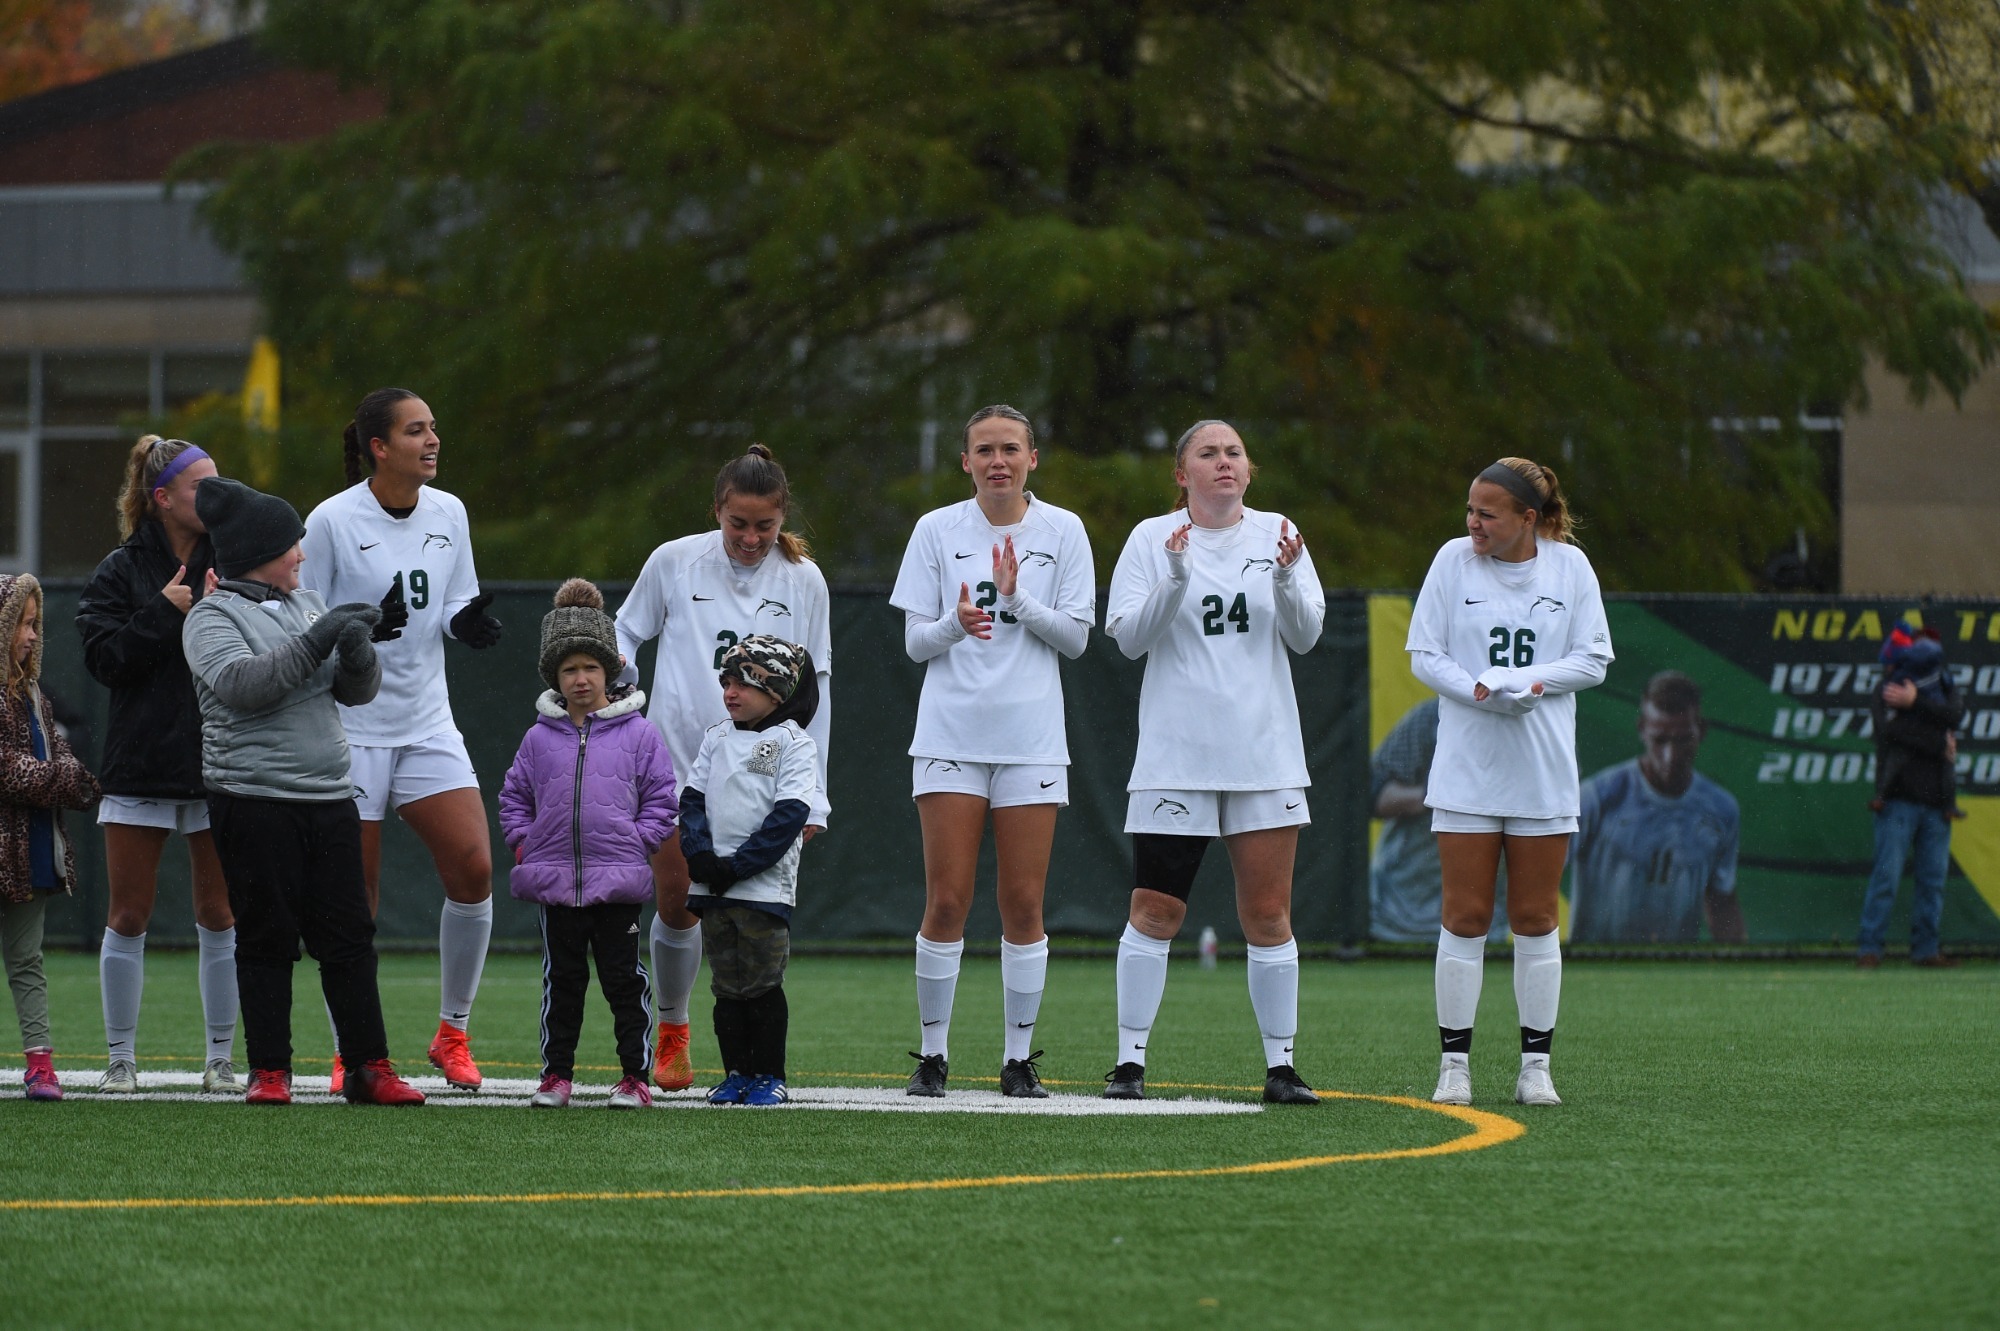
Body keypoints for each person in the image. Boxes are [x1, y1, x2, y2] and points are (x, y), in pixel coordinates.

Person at [1102, 419, 1324, 1105]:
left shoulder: (1279, 532)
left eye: (1233, 452)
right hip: (1178, 755)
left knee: (1267, 914)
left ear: (1248, 469)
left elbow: (1307, 634)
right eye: (1208, 453)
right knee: (1155, 909)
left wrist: (1287, 580)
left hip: (1264, 754)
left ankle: (1281, 1067)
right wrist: (1174, 576)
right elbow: (1131, 640)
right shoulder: (1151, 538)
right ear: (1182, 473)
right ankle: (1129, 1062)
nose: (1223, 462)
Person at [182, 477, 423, 1106]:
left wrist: (356, 651)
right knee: (266, 937)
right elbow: (246, 686)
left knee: (349, 938)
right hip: (252, 798)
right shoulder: (210, 618)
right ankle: (270, 1072)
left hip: (328, 796)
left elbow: (355, 693)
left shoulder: (308, 603)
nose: (302, 555)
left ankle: (370, 1067)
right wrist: (324, 635)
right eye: (292, 544)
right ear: (260, 551)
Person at [301, 388, 503, 1093]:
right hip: (351, 728)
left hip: (426, 723)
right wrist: (362, 631)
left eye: (434, 427)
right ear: (378, 446)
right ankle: (349, 1048)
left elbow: (450, 602)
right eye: (416, 430)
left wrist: (464, 624)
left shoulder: (450, 511)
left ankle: (452, 1033)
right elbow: (307, 629)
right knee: (355, 900)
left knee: (475, 867)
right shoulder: (330, 520)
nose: (432, 439)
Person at [889, 405, 1094, 1099]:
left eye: (1010, 448)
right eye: (985, 449)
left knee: (1022, 900)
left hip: (1032, 739)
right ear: (966, 461)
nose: (997, 460)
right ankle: (933, 1055)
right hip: (950, 735)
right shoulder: (935, 530)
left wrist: (1017, 599)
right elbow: (916, 640)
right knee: (946, 899)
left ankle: (1016, 1058)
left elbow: (1076, 638)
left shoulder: (1063, 530)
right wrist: (955, 622)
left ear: (1033, 457)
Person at [615, 445, 832, 1093]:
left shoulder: (805, 579)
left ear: (781, 515)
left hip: (767, 777)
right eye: (738, 522)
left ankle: (757, 1064)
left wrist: (813, 793)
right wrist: (621, 689)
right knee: (681, 901)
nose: (750, 537)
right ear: (717, 510)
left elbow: (817, 682)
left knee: (753, 917)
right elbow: (626, 634)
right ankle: (675, 1033)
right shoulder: (675, 560)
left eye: (763, 525)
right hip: (681, 763)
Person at [1407, 456, 1612, 1108]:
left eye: (1487, 514)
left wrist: (1533, 682)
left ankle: (1535, 1067)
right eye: (1470, 510)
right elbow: (1425, 652)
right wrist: (1478, 688)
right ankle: (1454, 1066)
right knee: (1464, 916)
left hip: (1543, 770)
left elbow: (1595, 657)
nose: (1474, 524)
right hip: (1467, 769)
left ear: (1528, 518)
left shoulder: (1570, 567)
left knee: (1535, 917)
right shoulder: (1451, 561)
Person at [77, 435, 239, 1094]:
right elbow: (104, 659)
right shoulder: (120, 569)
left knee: (220, 914)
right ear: (161, 497)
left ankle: (221, 1061)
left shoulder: (232, 559)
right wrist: (163, 614)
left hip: (218, 760)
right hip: (141, 762)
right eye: (201, 485)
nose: (214, 496)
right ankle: (120, 1061)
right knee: (128, 916)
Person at [500, 580, 677, 1110]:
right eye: (569, 669)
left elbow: (662, 799)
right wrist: (526, 843)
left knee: (624, 982)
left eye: (591, 668)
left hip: (618, 886)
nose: (581, 679)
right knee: (564, 983)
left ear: (611, 672)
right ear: (555, 676)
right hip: (556, 887)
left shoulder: (640, 734)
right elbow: (514, 796)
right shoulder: (538, 738)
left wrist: (636, 842)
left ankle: (635, 1078)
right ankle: (557, 1076)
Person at [680, 636, 821, 1107]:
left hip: (762, 888)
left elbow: (789, 815)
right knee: (726, 986)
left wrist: (737, 867)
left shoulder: (793, 743)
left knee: (761, 984)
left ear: (775, 690)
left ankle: (769, 1075)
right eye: (725, 681)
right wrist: (700, 857)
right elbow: (693, 800)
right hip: (713, 887)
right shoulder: (716, 736)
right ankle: (736, 1073)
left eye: (743, 682)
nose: (730, 692)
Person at [0, 574, 103, 1102]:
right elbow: (10, 769)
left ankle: (41, 1065)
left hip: (31, 851)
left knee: (27, 959)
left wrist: (71, 777)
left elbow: (58, 760)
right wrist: (63, 779)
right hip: (6, 846)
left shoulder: (35, 695)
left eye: (36, 624)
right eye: (23, 623)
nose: (32, 634)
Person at [1569, 671, 1743, 944]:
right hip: (1597, 969)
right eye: (1660, 740)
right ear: (1642, 729)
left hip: (1677, 973)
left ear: (1702, 731)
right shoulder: (1596, 798)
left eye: (1683, 739)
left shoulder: (1721, 809)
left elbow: (1722, 903)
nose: (1670, 756)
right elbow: (1542, 881)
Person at [1856, 624, 1966, 969]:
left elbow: (1956, 717)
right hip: (1898, 799)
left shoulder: (1942, 686)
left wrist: (1916, 703)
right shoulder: (1886, 689)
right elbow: (1889, 733)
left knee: (1932, 882)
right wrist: (1937, 742)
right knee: (1886, 878)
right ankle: (1870, 949)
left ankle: (1925, 950)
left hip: (1937, 804)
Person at [1368, 697, 1509, 944]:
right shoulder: (1432, 717)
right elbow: (1372, 795)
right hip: (1397, 917)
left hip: (1485, 922)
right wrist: (1437, 794)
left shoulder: (1535, 725)